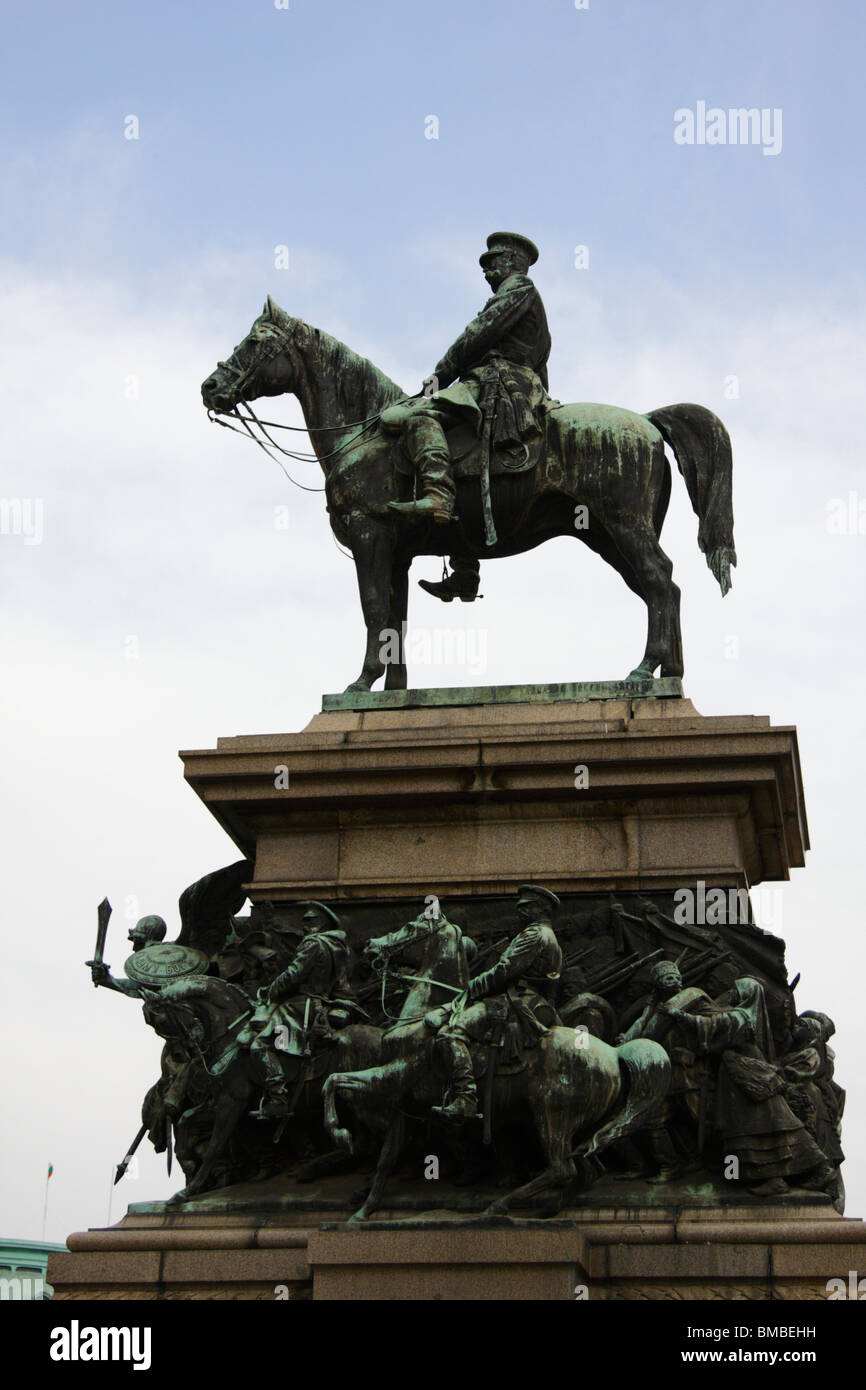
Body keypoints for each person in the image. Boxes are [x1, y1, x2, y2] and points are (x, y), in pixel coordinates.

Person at [385, 231, 552, 602]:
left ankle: (439, 497)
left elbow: (478, 334)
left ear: (511, 262)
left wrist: (442, 373)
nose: (486, 268)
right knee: (466, 458)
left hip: (501, 382)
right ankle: (465, 569)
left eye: (491, 261)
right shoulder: (520, 296)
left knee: (418, 418)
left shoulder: (519, 288)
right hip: (512, 384)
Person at [424, 884, 562, 1121]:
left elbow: (504, 971)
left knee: (451, 1034)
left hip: (516, 1001)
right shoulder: (550, 937)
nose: (519, 913)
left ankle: (466, 1099)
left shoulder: (534, 934)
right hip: (532, 999)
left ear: (540, 909)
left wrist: (472, 987)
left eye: (525, 909)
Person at [238, 901, 353, 1117]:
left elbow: (293, 975)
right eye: (305, 922)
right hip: (322, 1004)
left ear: (322, 923)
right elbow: (343, 986)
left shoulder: (312, 943)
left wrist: (269, 991)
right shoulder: (339, 947)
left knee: (259, 1046)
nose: (305, 926)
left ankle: (277, 1097)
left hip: (301, 1006)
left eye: (311, 922)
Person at [89, 914, 167, 998]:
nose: (134, 949)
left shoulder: (172, 955)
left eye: (138, 943)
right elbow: (138, 987)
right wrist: (107, 979)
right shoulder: (155, 973)